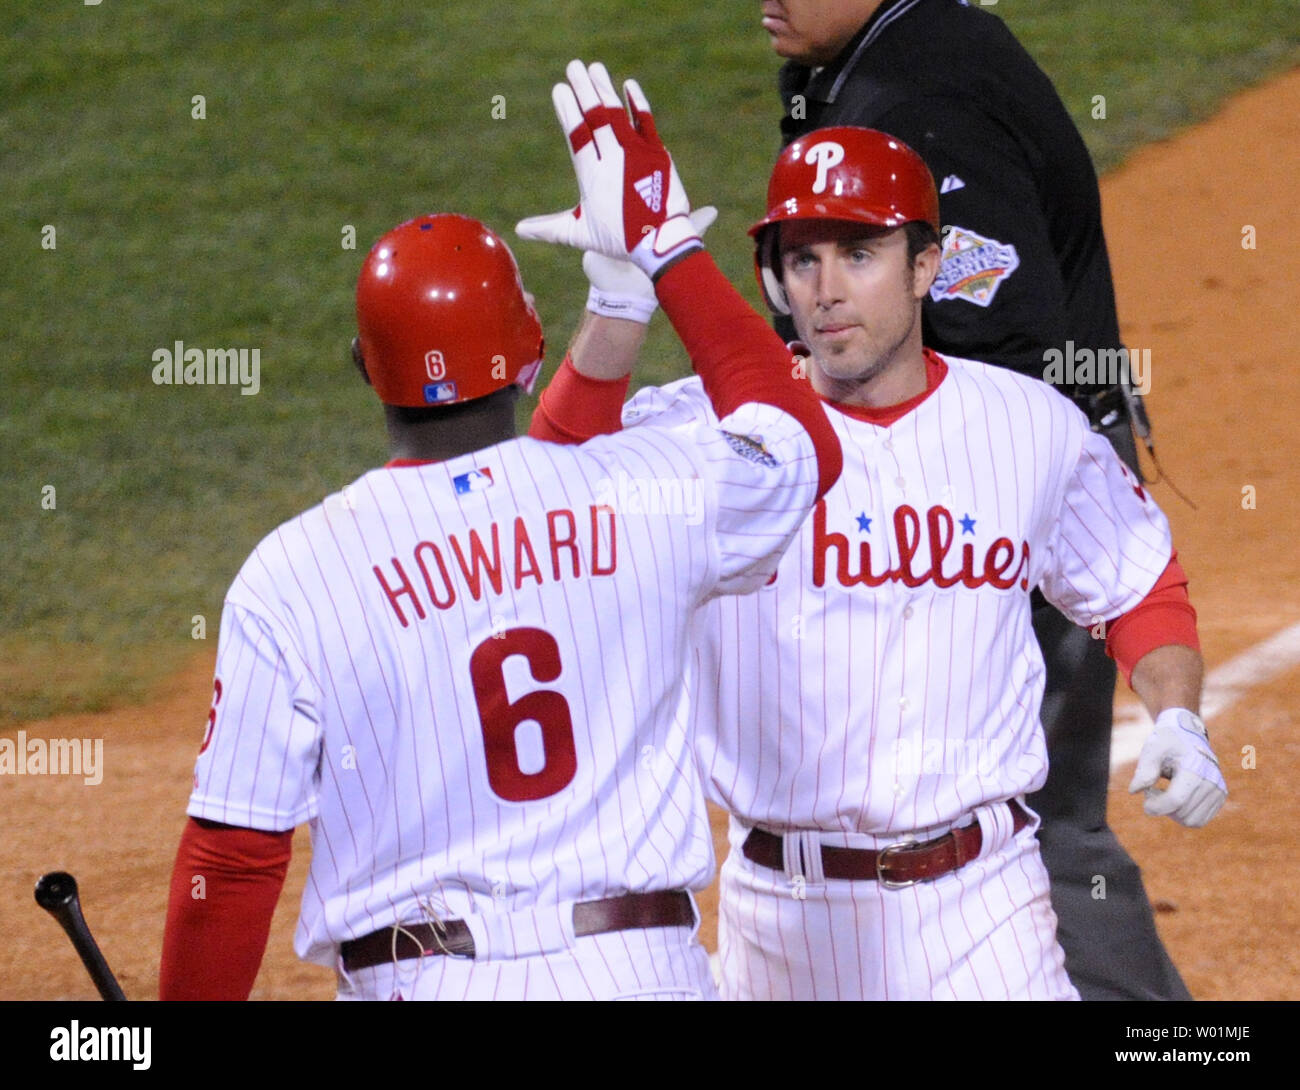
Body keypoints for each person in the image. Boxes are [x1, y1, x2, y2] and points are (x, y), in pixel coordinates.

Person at [157, 61, 843, 1001]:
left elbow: (231, 860)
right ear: (527, 356)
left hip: (429, 982)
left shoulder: (292, 574)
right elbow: (799, 441)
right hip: (637, 973)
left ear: (366, 367)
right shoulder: (642, 488)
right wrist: (664, 253)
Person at [527, 125, 1227, 999]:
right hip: (782, 918)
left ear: (927, 266)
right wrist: (621, 301)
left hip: (986, 910)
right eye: (803, 259)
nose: (826, 290)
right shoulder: (710, 434)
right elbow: (546, 499)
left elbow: (1137, 582)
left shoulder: (1027, 426)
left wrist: (1177, 716)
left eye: (859, 252)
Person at [756, 0, 1181, 999]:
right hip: (999, 492)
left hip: (1028, 509)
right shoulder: (880, 56)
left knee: (1033, 829)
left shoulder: (923, 91)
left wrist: (944, 523)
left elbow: (1009, 351)